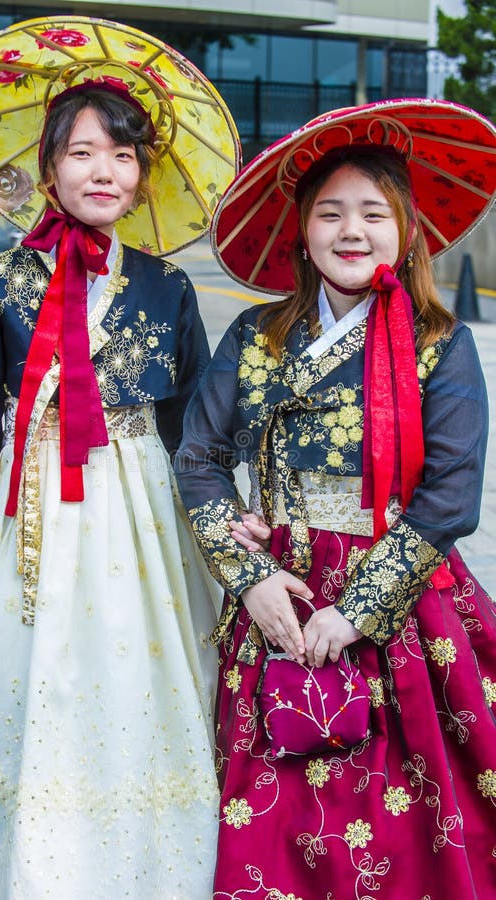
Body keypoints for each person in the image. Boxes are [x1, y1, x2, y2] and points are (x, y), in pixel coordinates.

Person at [0, 16, 241, 897]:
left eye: (123, 157)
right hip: (25, 518)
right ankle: (23, 859)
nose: (103, 171)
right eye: (82, 152)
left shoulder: (167, 287)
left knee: (141, 688)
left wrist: (225, 536)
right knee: (20, 683)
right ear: (48, 166)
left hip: (140, 532)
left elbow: (192, 433)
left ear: (141, 176)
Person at [174, 98, 496, 898]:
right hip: (278, 595)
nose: (351, 231)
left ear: (407, 231)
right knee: (268, 813)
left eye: (373, 213)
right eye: (330, 213)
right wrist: (247, 579)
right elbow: (199, 460)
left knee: (405, 818)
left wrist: (354, 612)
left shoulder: (440, 345)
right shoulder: (253, 336)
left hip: (399, 597)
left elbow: (450, 499)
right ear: (302, 232)